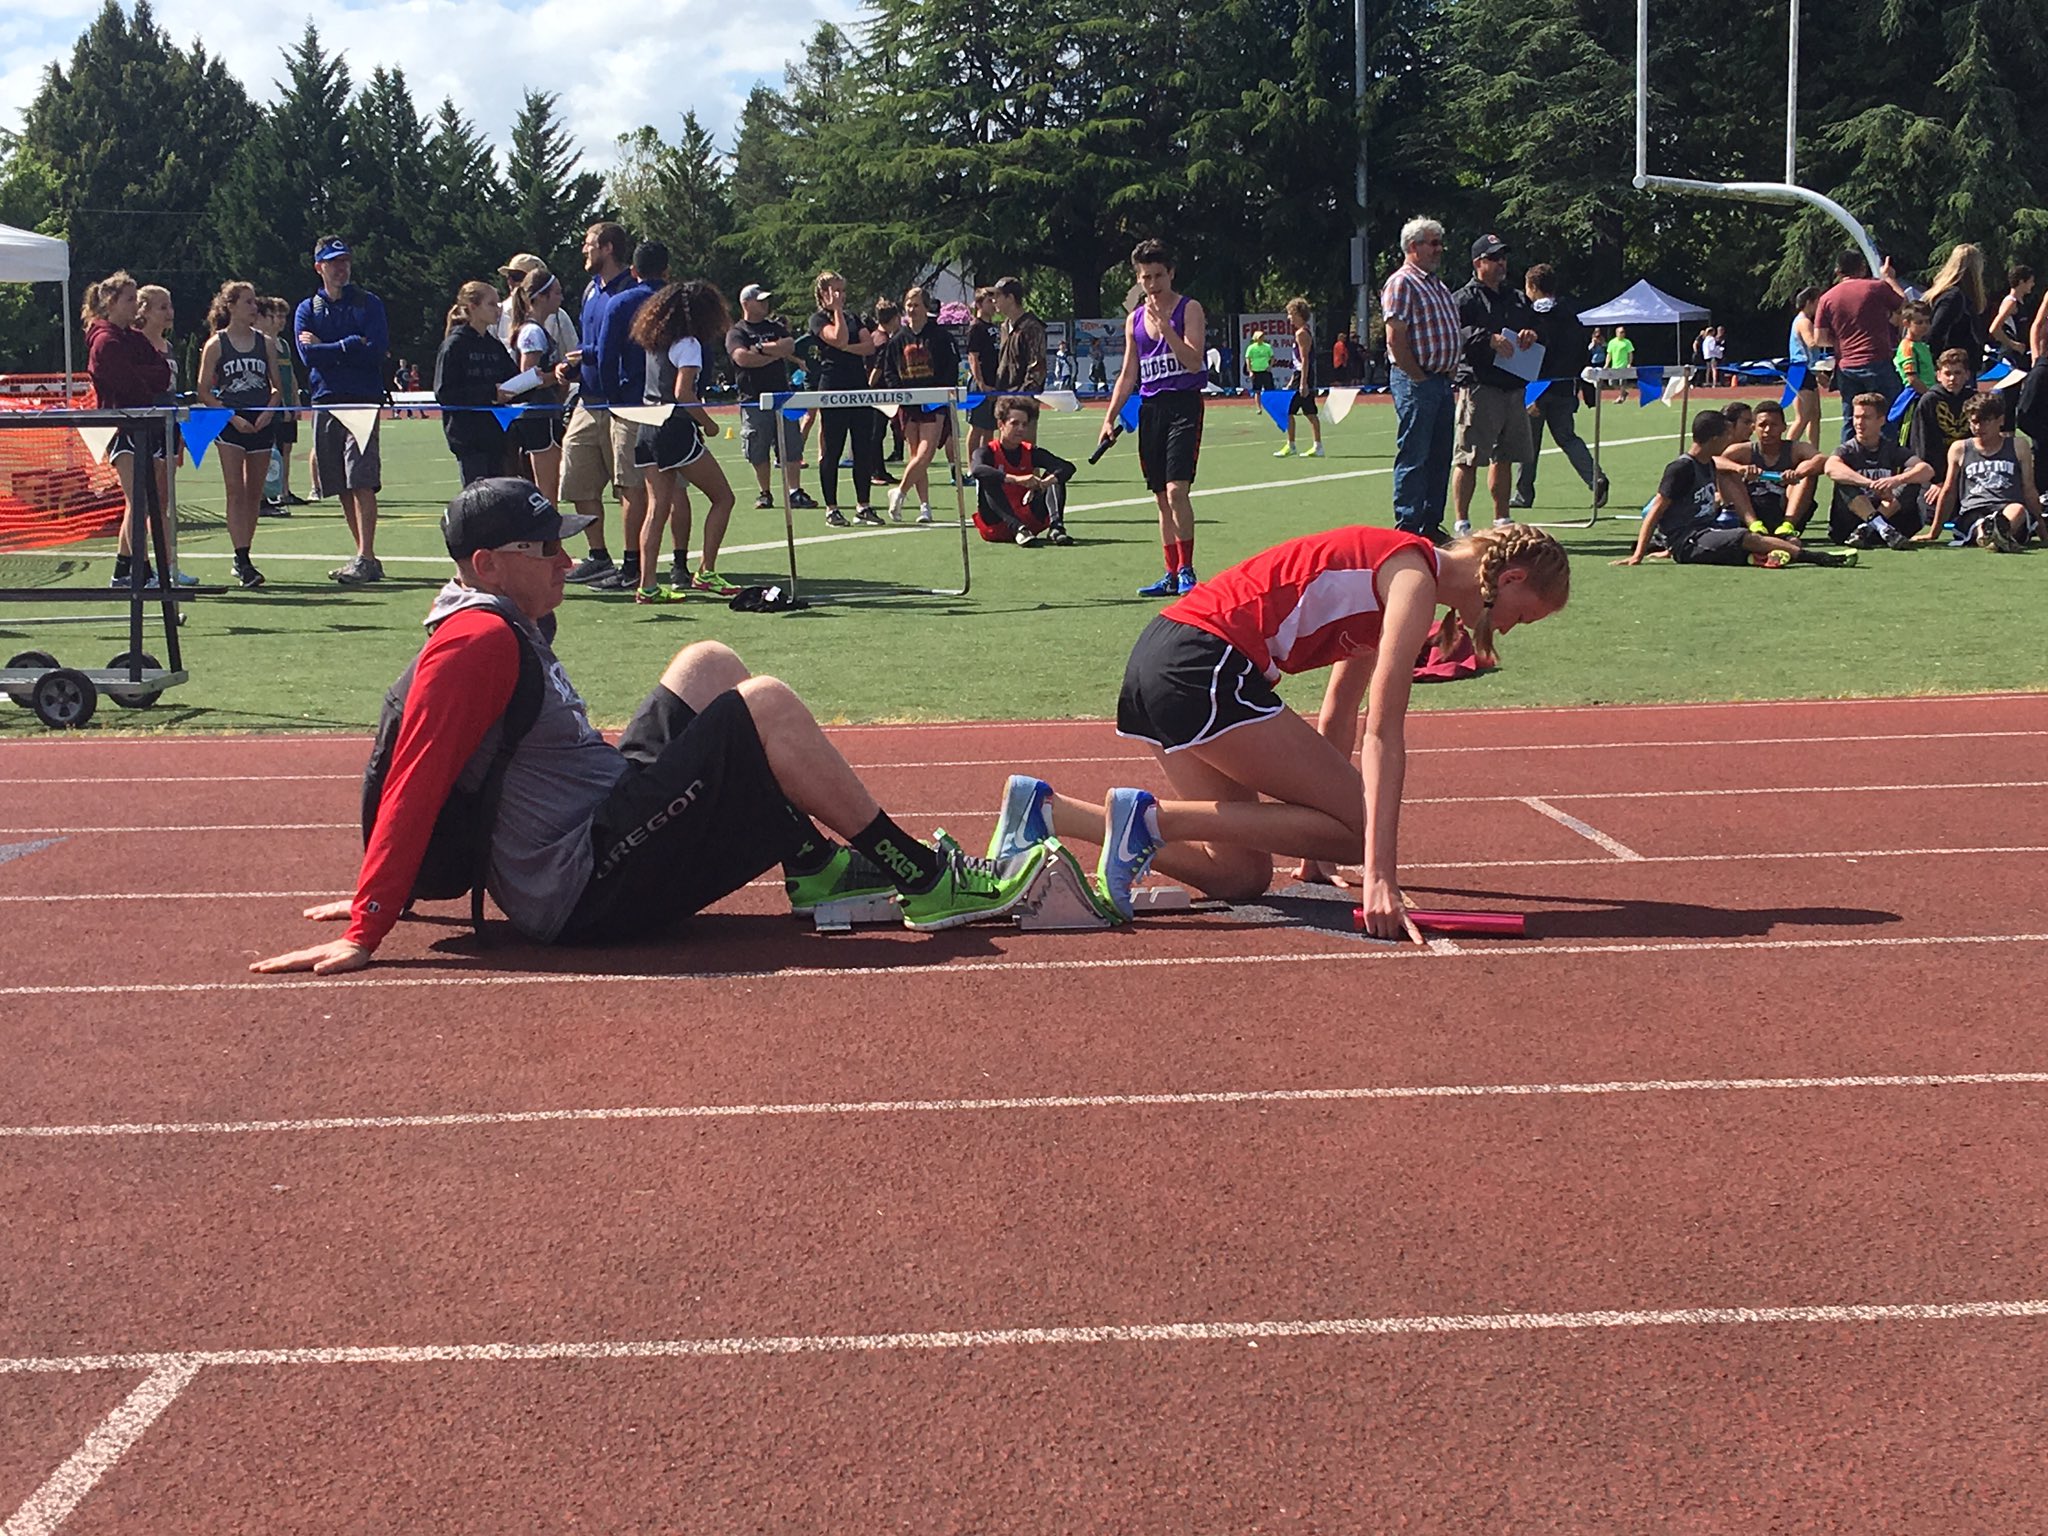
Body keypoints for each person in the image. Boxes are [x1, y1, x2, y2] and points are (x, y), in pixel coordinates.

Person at [249, 479, 1052, 977]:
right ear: (487, 564)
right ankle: (922, 879)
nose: (567, 561)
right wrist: (368, 924)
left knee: (708, 659)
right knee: (764, 702)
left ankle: (812, 867)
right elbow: (416, 778)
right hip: (580, 886)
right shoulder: (476, 643)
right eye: (546, 550)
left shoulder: (502, 620)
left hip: (604, 822)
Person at [978, 524, 1570, 934]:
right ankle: (1147, 821)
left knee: (1240, 876)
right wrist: (1379, 879)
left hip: (1165, 659)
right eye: (1525, 616)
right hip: (1201, 664)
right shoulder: (1411, 578)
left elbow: (1340, 711)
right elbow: (1383, 733)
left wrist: (1313, 855)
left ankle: (1049, 813)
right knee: (1359, 825)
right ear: (1510, 579)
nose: (1513, 629)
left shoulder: (1401, 580)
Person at [1100, 238, 1207, 596]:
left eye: (1159, 275)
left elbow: (1194, 361)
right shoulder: (1134, 320)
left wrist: (1168, 329)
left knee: (1178, 491)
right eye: (1145, 277)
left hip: (1184, 404)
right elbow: (1128, 374)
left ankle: (1189, 569)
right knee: (1161, 496)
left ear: (1171, 273)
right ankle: (1171, 572)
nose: (1153, 284)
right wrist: (1109, 417)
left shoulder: (1189, 309)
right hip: (1151, 410)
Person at [1618, 410, 1855, 570]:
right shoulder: (1681, 468)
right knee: (1744, 537)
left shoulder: (1709, 463)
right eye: (1727, 435)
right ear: (1713, 439)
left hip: (1706, 530)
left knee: (1741, 540)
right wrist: (1639, 555)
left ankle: (1763, 557)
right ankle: (1816, 558)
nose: (1730, 440)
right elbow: (1657, 510)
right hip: (1691, 539)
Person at [628, 280, 741, 602]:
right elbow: (683, 393)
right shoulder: (688, 344)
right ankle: (706, 571)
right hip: (674, 429)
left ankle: (647, 585)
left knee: (657, 507)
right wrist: (709, 424)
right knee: (723, 498)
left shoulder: (654, 342)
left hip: (647, 426)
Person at [295, 236, 390, 585]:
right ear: (319, 266)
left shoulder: (368, 303)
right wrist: (350, 345)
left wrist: (332, 347)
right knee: (340, 482)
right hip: (325, 399)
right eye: (333, 262)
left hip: (362, 400)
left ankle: (367, 554)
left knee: (362, 477)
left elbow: (375, 349)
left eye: (345, 261)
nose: (341, 268)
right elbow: (307, 356)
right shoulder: (308, 308)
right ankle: (363, 554)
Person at [555, 221, 640, 587]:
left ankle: (633, 561)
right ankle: (598, 555)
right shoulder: (591, 290)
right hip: (587, 400)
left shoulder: (631, 292)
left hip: (620, 403)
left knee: (627, 484)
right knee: (579, 479)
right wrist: (571, 367)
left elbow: (627, 347)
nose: (583, 250)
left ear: (607, 248)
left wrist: (586, 355)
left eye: (588, 243)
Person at [82, 271, 171, 589]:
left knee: (141, 500)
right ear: (111, 302)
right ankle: (142, 571)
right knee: (139, 501)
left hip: (144, 425)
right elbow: (130, 386)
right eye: (130, 299)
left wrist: (145, 374)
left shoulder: (133, 338)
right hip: (121, 429)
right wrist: (145, 376)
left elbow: (162, 374)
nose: (137, 305)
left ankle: (122, 569)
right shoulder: (105, 341)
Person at [1449, 234, 1539, 536]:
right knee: (1469, 457)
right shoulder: (1463, 298)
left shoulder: (1516, 297)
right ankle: (1461, 521)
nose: (1501, 263)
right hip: (1479, 387)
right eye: (1494, 258)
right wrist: (1486, 339)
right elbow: (1453, 333)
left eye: (1503, 257)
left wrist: (1530, 334)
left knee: (1505, 455)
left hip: (1512, 387)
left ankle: (1502, 518)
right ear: (1478, 263)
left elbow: (1536, 326)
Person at [196, 280, 281, 588]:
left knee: (254, 492)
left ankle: (244, 553)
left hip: (260, 421)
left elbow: (275, 387)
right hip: (231, 423)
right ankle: (242, 558)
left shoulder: (265, 343)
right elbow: (204, 390)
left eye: (254, 301)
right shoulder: (217, 344)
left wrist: (270, 410)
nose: (253, 307)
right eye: (247, 301)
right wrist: (231, 416)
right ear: (230, 306)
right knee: (235, 489)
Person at [1380, 217, 1461, 542]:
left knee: (1440, 455)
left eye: (1439, 243)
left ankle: (1430, 523)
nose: (1439, 249)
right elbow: (1395, 338)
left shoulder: (1436, 285)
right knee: (1415, 455)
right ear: (1413, 247)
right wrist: (1417, 376)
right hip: (1417, 380)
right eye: (1433, 243)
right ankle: (1408, 527)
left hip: (1440, 381)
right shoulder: (1402, 283)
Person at [1512, 264, 1607, 510]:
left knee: (1528, 443)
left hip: (1537, 386)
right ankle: (1595, 478)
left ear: (1532, 287)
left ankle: (1524, 495)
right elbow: (1582, 354)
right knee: (1567, 437)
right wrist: (1586, 390)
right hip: (1565, 387)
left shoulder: (1531, 315)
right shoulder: (1572, 315)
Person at [806, 271, 887, 527]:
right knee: (833, 448)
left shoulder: (854, 317)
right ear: (823, 294)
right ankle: (832, 508)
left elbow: (869, 346)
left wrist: (847, 348)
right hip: (832, 388)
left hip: (858, 387)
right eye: (834, 291)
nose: (840, 295)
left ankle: (863, 505)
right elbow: (837, 337)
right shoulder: (818, 319)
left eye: (842, 290)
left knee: (863, 448)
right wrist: (836, 312)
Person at [725, 283, 815, 512]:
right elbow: (742, 358)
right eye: (760, 300)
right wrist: (773, 355)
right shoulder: (737, 332)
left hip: (782, 397)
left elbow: (788, 345)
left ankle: (795, 491)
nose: (765, 304)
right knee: (758, 447)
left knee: (792, 446)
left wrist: (761, 350)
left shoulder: (775, 327)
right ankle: (765, 492)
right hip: (753, 399)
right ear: (745, 303)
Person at [1812, 248, 1907, 441]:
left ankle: (1846, 461)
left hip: (1847, 366)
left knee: (1851, 418)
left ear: (1838, 271)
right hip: (1876, 360)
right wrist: (1888, 278)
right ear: (1862, 268)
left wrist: (1841, 338)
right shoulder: (1876, 287)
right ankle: (1888, 460)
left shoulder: (1827, 298)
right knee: (1890, 413)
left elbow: (1819, 338)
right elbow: (1904, 304)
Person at [885, 285, 961, 524]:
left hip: (934, 403)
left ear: (926, 308)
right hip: (909, 405)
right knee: (915, 454)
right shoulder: (898, 339)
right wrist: (899, 393)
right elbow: (889, 371)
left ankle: (899, 491)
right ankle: (924, 506)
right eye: (909, 304)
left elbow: (951, 368)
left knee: (926, 453)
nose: (912, 309)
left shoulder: (940, 336)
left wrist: (939, 392)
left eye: (917, 304)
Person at [432, 280, 517, 487]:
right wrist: (490, 392)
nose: (498, 309)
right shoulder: (454, 345)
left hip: (496, 435)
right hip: (468, 438)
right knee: (478, 500)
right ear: (472, 307)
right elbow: (445, 393)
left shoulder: (493, 345)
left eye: (498, 304)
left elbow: (512, 379)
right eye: (491, 304)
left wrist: (534, 381)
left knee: (499, 497)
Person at [1824, 392, 1933, 548]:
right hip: (1849, 525)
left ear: (1881, 420)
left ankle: (1869, 528)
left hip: (1888, 520)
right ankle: (1881, 526)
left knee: (1911, 479)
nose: (1859, 423)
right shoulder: (1847, 450)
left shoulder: (1891, 448)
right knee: (1844, 481)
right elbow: (1830, 468)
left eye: (1866, 418)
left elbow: (1926, 470)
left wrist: (1895, 481)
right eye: (1856, 417)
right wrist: (1871, 484)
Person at [969, 395, 1076, 547]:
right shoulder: (986, 452)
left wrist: (1045, 483)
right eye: (1014, 423)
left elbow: (1067, 467)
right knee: (988, 479)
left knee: (1055, 476)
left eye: (1024, 424)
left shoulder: (1030, 451)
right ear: (1001, 424)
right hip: (997, 524)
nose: (1021, 429)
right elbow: (976, 470)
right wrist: (1016, 479)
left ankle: (1056, 528)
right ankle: (1018, 529)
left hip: (1028, 520)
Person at [1941, 391, 2039, 551]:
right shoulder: (1960, 448)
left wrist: (2042, 529)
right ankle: (1988, 535)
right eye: (1975, 422)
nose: (1979, 427)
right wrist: (1934, 532)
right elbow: (1949, 490)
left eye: (1986, 421)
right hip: (1974, 509)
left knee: (2018, 510)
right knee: (1978, 521)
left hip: (2007, 507)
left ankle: (1999, 534)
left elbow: (2029, 489)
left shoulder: (2018, 446)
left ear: (2000, 420)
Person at [503, 267, 570, 502]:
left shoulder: (534, 329)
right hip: (538, 416)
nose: (561, 298)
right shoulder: (533, 331)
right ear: (541, 297)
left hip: (540, 415)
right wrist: (560, 375)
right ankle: (549, 538)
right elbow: (528, 377)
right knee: (547, 491)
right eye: (556, 293)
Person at [1718, 400, 1826, 538]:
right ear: (1754, 428)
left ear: (1784, 427)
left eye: (1773, 425)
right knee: (1727, 473)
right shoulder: (1743, 451)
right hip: (1753, 509)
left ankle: (1788, 526)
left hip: (1786, 509)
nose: (1768, 430)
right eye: (1762, 425)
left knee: (1809, 472)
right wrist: (1739, 468)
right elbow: (1716, 461)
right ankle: (1754, 526)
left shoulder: (1796, 449)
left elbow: (1821, 460)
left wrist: (1798, 473)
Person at [1905, 347, 1977, 532]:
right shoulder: (1929, 401)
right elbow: (1921, 447)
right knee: (1931, 512)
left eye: (1958, 373)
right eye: (1947, 373)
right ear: (1938, 375)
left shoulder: (1974, 400)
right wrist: (1937, 481)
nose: (1952, 378)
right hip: (1935, 475)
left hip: (1967, 473)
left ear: (1967, 375)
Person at [255, 296, 305, 514]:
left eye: (283, 316)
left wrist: (295, 401)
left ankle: (283, 490)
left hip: (286, 405)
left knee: (285, 448)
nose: (280, 320)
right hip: (272, 407)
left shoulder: (283, 344)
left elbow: (290, 375)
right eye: (276, 316)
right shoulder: (261, 344)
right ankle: (266, 495)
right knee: (269, 450)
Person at [1921, 243, 1988, 363]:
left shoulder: (1954, 295)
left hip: (1958, 365)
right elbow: (1936, 332)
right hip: (1953, 366)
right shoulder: (1954, 297)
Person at [1274, 298, 1325, 459]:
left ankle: (1296, 445)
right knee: (1307, 412)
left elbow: (1305, 360)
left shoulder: (1302, 333)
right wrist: (1292, 381)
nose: (1289, 318)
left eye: (1291, 314)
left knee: (1293, 411)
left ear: (1298, 314)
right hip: (1299, 376)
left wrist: (1303, 383)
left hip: (1303, 377)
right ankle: (1309, 445)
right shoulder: (1301, 332)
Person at [992, 276, 1047, 399]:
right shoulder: (1005, 327)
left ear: (1010, 298)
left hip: (1022, 402)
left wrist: (1023, 396)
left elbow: (1037, 369)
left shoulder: (1031, 327)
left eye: (998, 296)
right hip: (1002, 398)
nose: (994, 300)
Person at [963, 287, 1002, 456]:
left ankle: (986, 463)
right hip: (981, 383)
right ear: (979, 304)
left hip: (994, 382)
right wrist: (981, 384)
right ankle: (973, 467)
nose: (993, 304)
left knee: (990, 428)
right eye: (988, 301)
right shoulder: (976, 327)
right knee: (977, 427)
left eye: (994, 300)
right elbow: (973, 357)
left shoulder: (993, 327)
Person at [1786, 288, 1824, 447]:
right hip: (1800, 371)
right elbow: (1811, 343)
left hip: (1807, 371)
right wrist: (1833, 340)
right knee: (1803, 417)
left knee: (1815, 415)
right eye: (1818, 302)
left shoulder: (1804, 320)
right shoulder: (1804, 322)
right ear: (1810, 302)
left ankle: (1812, 452)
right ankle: (1783, 452)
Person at [1990, 265, 2036, 368]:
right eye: (2030, 281)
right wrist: (2013, 345)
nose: (2033, 284)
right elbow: (1994, 329)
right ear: (2021, 282)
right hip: (2010, 358)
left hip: (2021, 356)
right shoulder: (2011, 303)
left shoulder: (2021, 302)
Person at [1894, 300, 1935, 394]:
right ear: (1906, 323)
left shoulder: (1922, 345)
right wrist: (1928, 395)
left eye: (1927, 321)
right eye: (1919, 322)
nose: (1925, 326)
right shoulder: (1907, 347)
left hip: (1929, 390)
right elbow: (1912, 379)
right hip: (1916, 394)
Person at [1604, 326, 1635, 404]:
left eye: (1623, 332)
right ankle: (1624, 392)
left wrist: (1629, 363)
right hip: (1614, 366)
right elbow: (1609, 354)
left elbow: (1630, 354)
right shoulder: (1612, 342)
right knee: (1612, 383)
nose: (1622, 334)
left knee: (1622, 382)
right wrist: (1606, 364)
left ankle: (1621, 397)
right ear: (1616, 333)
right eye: (1621, 332)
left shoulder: (1627, 342)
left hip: (1623, 366)